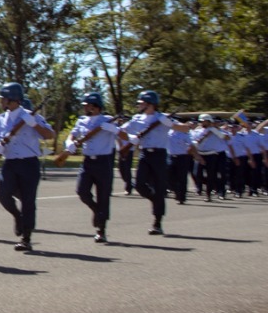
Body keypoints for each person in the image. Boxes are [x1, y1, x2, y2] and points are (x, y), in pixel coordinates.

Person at [0, 83, 53, 252]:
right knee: (2, 194)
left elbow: (50, 135)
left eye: (3, 98)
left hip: (29, 163)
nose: (0, 101)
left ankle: (26, 237)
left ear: (12, 99)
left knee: (28, 200)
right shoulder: (0, 119)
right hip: (10, 162)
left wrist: (34, 125)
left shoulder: (31, 116)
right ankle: (17, 216)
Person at [120, 90, 188, 235]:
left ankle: (157, 223)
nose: (138, 105)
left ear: (150, 104)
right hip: (144, 154)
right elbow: (121, 131)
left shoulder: (162, 118)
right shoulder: (137, 118)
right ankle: (154, 199)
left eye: (141, 103)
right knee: (139, 185)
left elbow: (184, 129)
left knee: (159, 187)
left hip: (159, 155)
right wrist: (132, 137)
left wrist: (168, 123)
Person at [63, 91, 118, 242]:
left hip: (103, 161)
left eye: (87, 105)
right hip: (88, 161)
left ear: (95, 106)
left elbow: (124, 136)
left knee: (103, 195)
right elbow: (72, 135)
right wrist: (69, 143)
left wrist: (114, 128)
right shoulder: (81, 120)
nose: (84, 108)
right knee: (82, 191)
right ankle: (96, 210)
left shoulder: (108, 120)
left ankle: (101, 230)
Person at [191, 114, 230, 202]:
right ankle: (210, 187)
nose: (201, 122)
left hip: (211, 155)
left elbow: (227, 138)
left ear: (208, 121)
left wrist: (217, 130)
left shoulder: (214, 130)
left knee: (211, 175)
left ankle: (208, 194)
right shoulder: (197, 131)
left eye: (203, 121)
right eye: (200, 121)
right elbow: (194, 142)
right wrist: (204, 136)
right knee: (196, 173)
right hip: (200, 154)